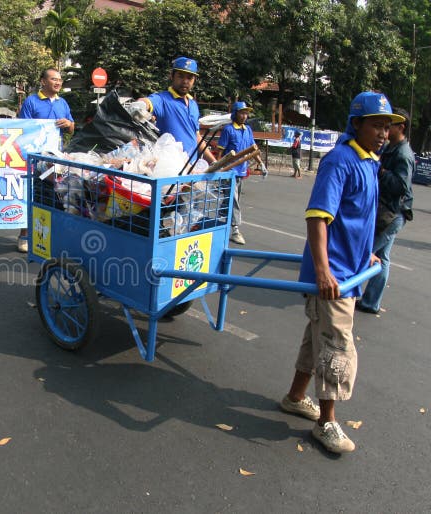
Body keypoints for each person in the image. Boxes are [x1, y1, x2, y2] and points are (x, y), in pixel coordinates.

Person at [279, 91, 403, 454]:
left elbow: (358, 221)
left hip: (350, 271)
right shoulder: (341, 161)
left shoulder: (369, 162)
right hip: (333, 276)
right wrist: (323, 271)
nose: (384, 132)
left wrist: (367, 258)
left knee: (315, 337)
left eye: (388, 126)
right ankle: (326, 422)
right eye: (377, 125)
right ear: (357, 124)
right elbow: (318, 217)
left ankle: (295, 396)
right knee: (336, 347)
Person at [357, 107, 414, 315]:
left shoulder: (403, 154)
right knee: (382, 256)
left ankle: (351, 292)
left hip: (392, 214)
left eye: (389, 127)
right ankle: (371, 302)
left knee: (366, 252)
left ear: (402, 127)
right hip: (388, 211)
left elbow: (401, 186)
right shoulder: (392, 148)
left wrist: (380, 170)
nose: (385, 132)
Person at [17, 68, 75, 252]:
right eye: (53, 79)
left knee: (55, 196)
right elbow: (22, 129)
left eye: (60, 80)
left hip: (55, 160)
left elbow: (72, 128)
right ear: (43, 81)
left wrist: (69, 124)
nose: (58, 82)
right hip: (34, 159)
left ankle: (49, 238)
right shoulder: (31, 101)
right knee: (32, 195)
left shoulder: (63, 103)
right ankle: (24, 235)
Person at [138, 57, 218, 166]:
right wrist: (140, 104)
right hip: (170, 170)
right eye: (180, 76)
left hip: (191, 169)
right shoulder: (163, 99)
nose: (185, 81)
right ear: (172, 76)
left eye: (190, 78)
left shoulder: (193, 105)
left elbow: (196, 137)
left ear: (194, 80)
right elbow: (148, 101)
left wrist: (213, 161)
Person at [216, 101, 267, 245]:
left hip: (241, 170)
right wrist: (218, 168)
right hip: (229, 171)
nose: (244, 116)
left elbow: (253, 148)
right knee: (234, 200)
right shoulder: (229, 130)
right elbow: (221, 150)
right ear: (235, 114)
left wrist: (261, 163)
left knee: (232, 199)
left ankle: (221, 219)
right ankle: (235, 230)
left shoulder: (248, 130)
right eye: (242, 113)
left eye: (246, 113)